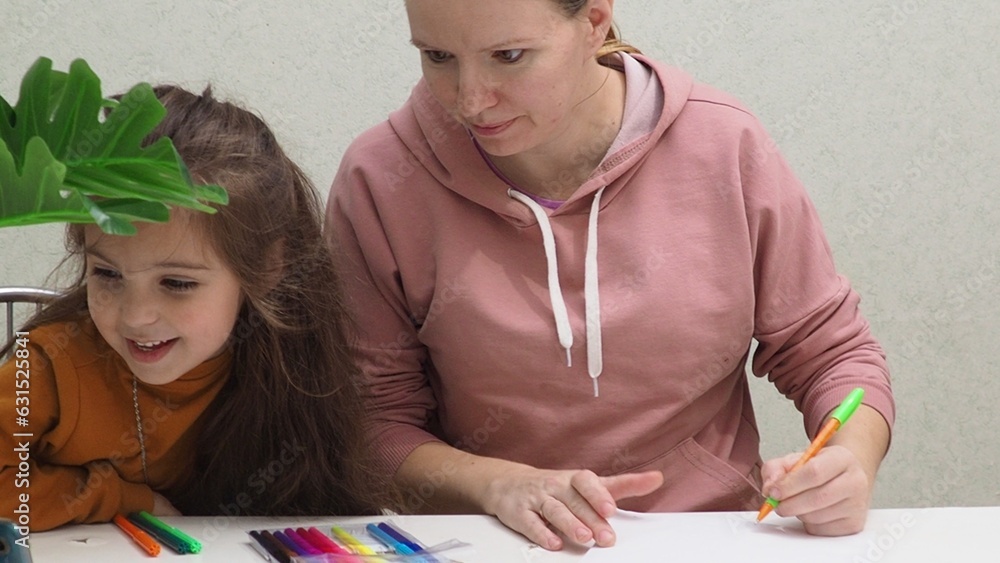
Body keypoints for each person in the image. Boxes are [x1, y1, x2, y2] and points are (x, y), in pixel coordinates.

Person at [327, 0, 897, 552]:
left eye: (508, 56)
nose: (470, 99)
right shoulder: (381, 178)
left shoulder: (723, 144)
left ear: (594, 21)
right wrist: (497, 485)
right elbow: (371, 421)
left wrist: (848, 460)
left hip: (707, 537)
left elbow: (832, 354)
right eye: (438, 57)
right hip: (489, 544)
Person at [0, 85, 395, 531]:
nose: (135, 316)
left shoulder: (292, 372)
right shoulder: (48, 366)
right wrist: (118, 497)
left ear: (267, 268)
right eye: (107, 274)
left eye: (177, 283)